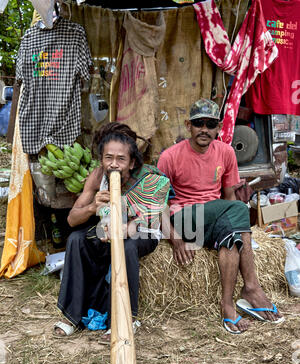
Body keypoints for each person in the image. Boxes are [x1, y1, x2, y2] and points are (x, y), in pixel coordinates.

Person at [157, 98, 284, 334]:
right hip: (184, 218)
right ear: (189, 125)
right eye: (198, 123)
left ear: (219, 127)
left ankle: (228, 307)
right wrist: (175, 238)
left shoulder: (225, 152)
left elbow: (228, 196)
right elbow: (158, 205)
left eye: (210, 124)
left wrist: (243, 235)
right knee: (239, 210)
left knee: (232, 238)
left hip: (215, 215)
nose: (204, 129)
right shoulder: (170, 156)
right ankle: (252, 288)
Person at [54, 122, 170, 338]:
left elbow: (149, 219)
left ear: (132, 161)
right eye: (109, 158)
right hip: (109, 229)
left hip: (143, 232)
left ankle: (127, 318)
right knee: (77, 239)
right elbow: (72, 219)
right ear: (102, 159)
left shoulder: (150, 178)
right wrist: (92, 207)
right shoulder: (98, 176)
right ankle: (72, 316)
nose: (114, 164)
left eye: (121, 159)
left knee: (126, 246)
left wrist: (123, 228)